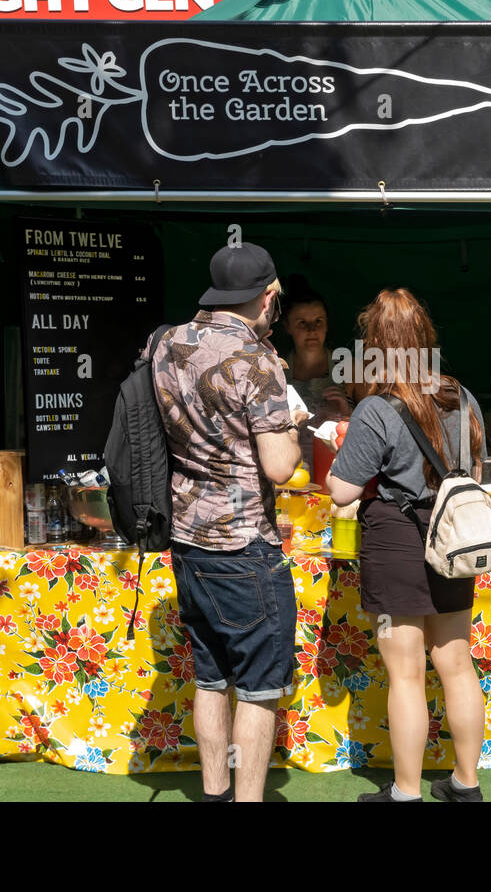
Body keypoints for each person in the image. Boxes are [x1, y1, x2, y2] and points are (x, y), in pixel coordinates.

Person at [152, 242, 305, 802]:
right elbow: (280, 466)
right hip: (243, 545)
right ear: (266, 297)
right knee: (260, 691)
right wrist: (291, 420)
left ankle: (216, 795)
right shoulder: (258, 360)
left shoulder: (166, 341)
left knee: (211, 679)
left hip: (188, 536)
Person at [324, 289, 488, 803]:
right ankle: (466, 784)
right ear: (425, 338)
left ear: (375, 345)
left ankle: (406, 792)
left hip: (396, 538)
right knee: (457, 662)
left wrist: (342, 449)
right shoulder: (463, 398)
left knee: (406, 672)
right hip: (454, 540)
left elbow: (342, 492)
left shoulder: (375, 407)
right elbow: (476, 475)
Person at [282, 279, 353, 465]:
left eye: (318, 321)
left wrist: (345, 412)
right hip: (289, 468)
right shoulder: (277, 369)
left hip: (334, 467)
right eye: (302, 323)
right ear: (287, 327)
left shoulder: (347, 369)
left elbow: (368, 431)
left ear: (327, 324)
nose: (312, 329)